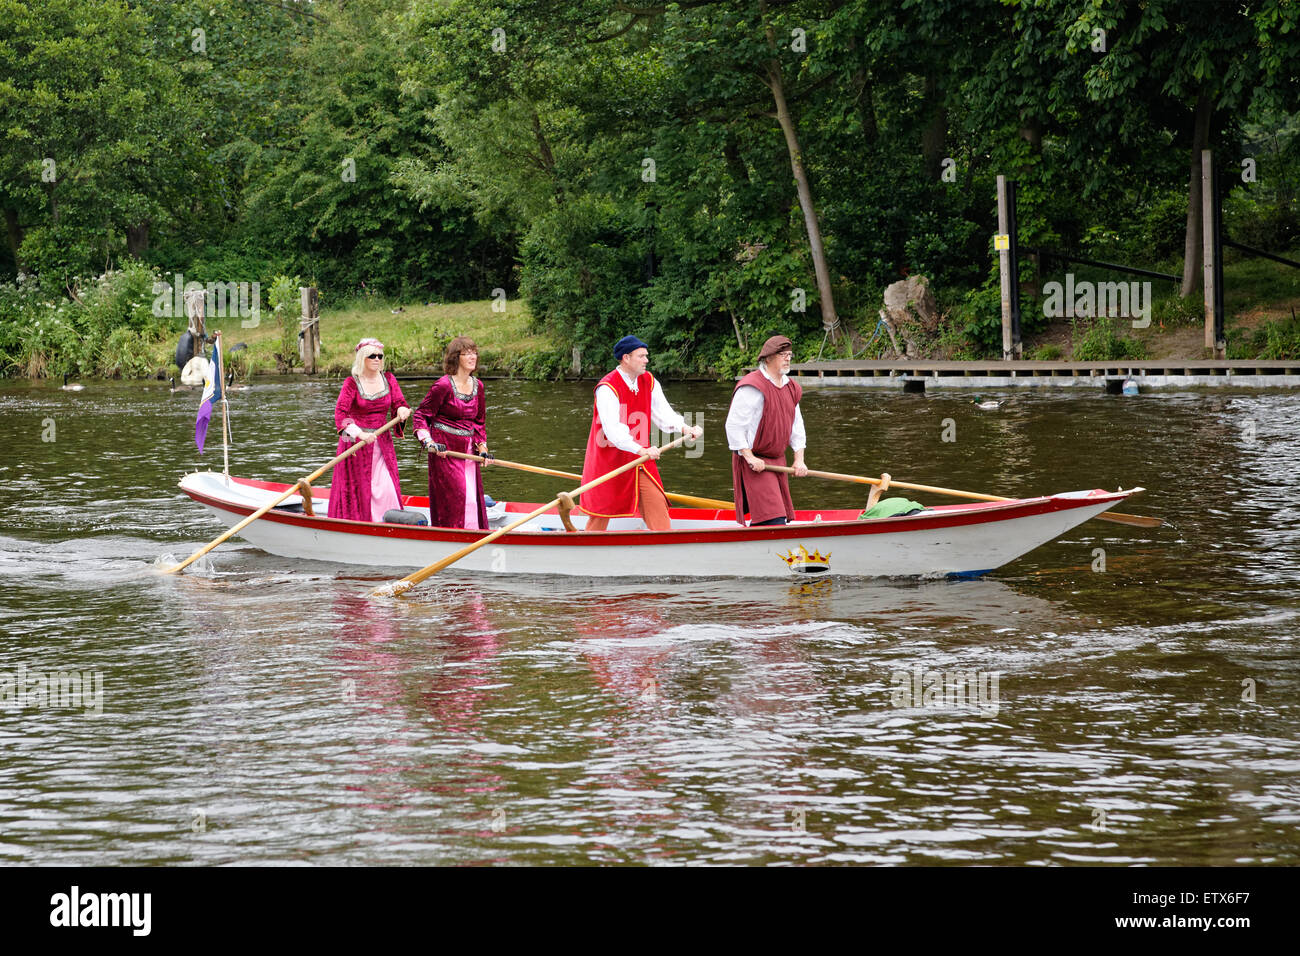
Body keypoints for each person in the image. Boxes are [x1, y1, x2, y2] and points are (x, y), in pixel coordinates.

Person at [578, 335, 703, 531]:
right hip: (609, 459)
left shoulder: (648, 380)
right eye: (641, 356)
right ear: (626, 358)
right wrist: (640, 449)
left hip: (641, 459)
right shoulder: (607, 387)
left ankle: (665, 546)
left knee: (656, 502)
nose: (647, 360)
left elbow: (663, 413)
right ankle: (587, 550)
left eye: (646, 356)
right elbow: (612, 430)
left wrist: (684, 427)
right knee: (600, 512)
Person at [725, 334, 808, 526]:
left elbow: (797, 426)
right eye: (782, 354)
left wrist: (799, 459)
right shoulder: (752, 386)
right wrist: (749, 457)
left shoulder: (791, 388)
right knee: (772, 518)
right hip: (755, 461)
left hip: (778, 460)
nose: (788, 358)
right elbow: (734, 425)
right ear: (768, 358)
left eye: (789, 354)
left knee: (779, 515)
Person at [413, 336, 493, 529]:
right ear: (456, 358)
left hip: (468, 451)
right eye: (467, 353)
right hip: (445, 451)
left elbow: (479, 422)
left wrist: (482, 449)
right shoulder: (443, 386)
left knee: (472, 499)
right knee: (458, 498)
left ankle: (473, 533)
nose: (473, 357)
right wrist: (429, 442)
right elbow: (420, 416)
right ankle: (450, 535)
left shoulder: (478, 386)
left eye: (474, 352)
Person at [331, 338, 412, 522]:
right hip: (356, 445)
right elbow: (340, 414)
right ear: (362, 359)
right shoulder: (352, 383)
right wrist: (359, 434)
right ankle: (363, 523)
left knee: (387, 487)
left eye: (380, 356)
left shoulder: (389, 379)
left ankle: (388, 522)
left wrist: (401, 411)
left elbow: (399, 402)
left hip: (382, 442)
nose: (377, 359)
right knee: (362, 488)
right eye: (372, 356)